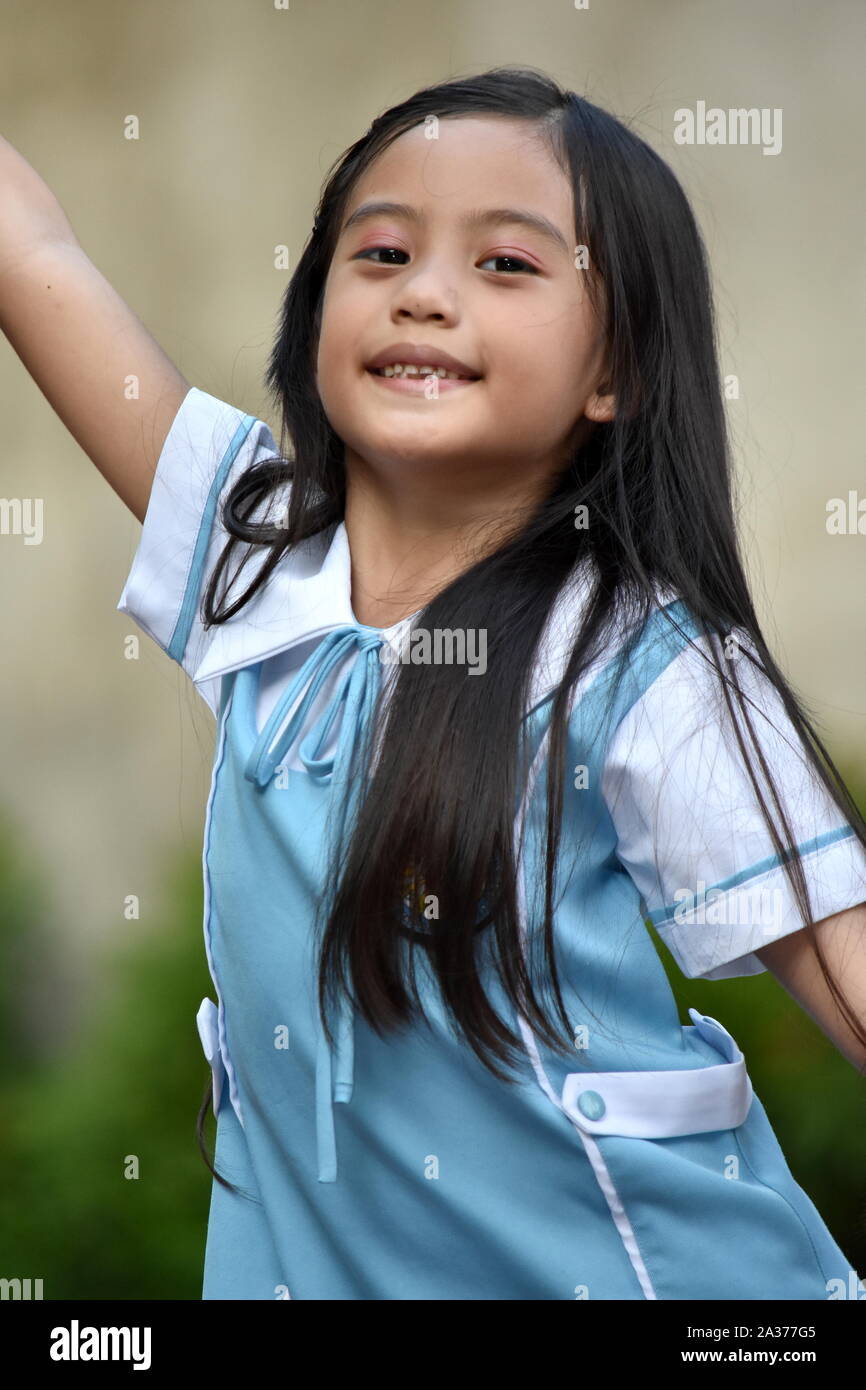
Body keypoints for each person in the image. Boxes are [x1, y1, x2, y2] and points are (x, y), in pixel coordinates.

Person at [3, 65, 866, 1301]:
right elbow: (29, 248)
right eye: (380, 251)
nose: (422, 293)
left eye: (505, 265)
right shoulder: (249, 562)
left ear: (611, 372)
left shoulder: (642, 665)